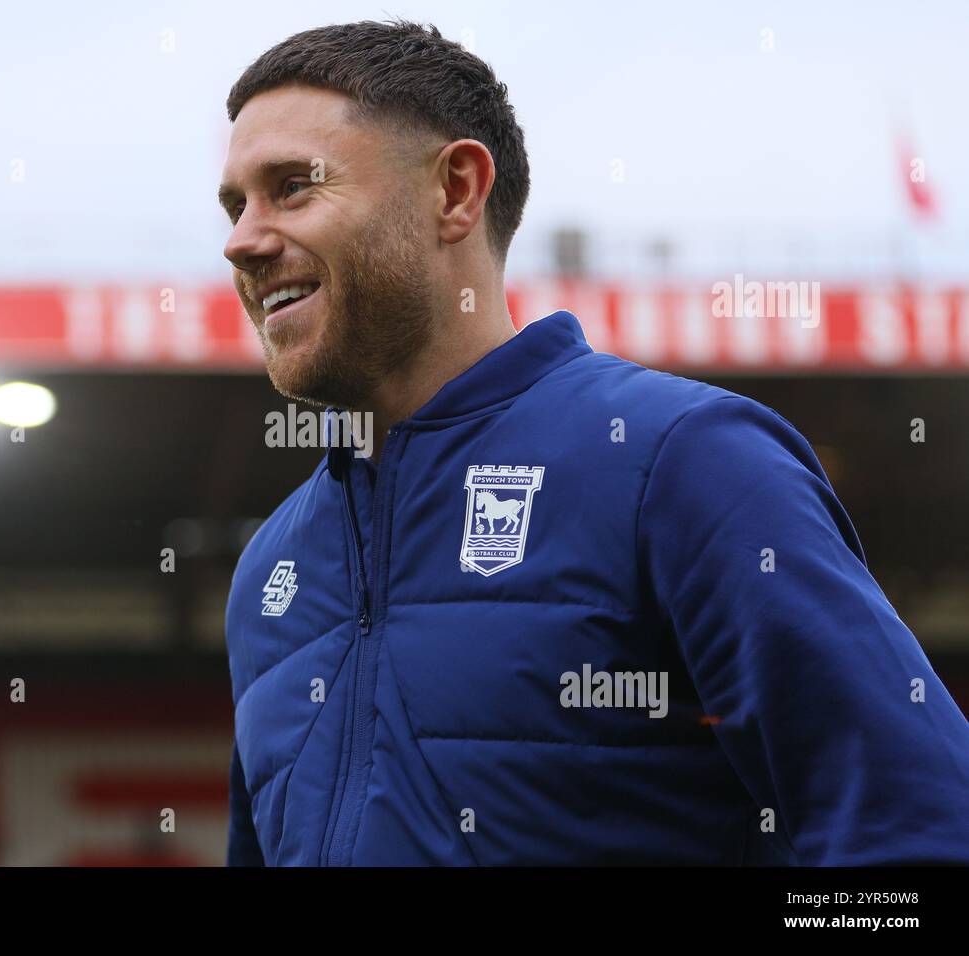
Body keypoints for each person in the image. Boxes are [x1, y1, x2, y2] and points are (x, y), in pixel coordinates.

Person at [217, 19, 969, 865]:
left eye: (292, 187)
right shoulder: (266, 576)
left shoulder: (687, 462)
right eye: (235, 204)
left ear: (456, 191)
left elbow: (920, 834)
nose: (242, 238)